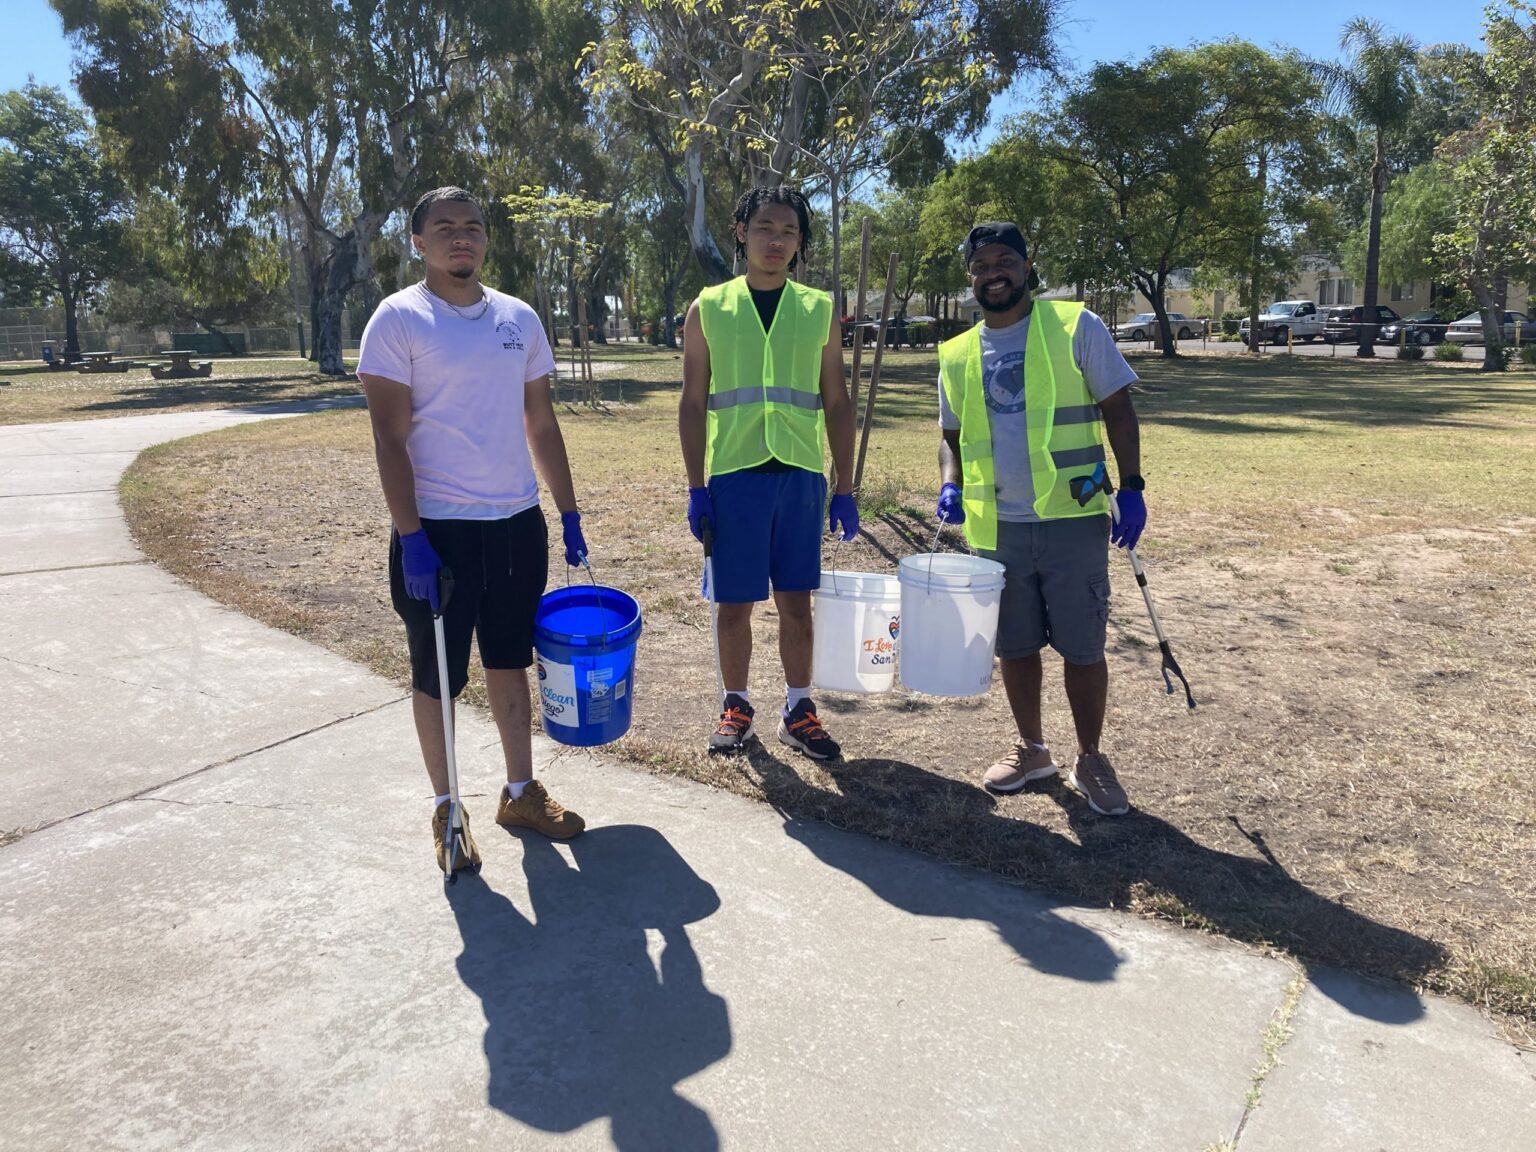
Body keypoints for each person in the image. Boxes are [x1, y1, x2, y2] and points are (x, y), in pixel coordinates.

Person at [357, 186, 589, 874]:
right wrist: (412, 538)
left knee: (510, 660)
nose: (461, 237)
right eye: (444, 227)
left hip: (515, 524)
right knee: (437, 676)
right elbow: (389, 439)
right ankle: (447, 808)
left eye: (473, 227)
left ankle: (519, 794)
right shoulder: (398, 319)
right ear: (418, 241)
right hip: (438, 533)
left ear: (486, 239)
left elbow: (540, 422)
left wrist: (568, 511)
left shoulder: (518, 318)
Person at [935, 222, 1147, 816]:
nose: (993, 273)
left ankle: (1090, 757)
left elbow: (1118, 409)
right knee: (1016, 645)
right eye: (981, 265)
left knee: (1083, 647)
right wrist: (950, 483)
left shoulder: (1077, 326)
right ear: (971, 277)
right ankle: (1032, 749)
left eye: (1005, 261)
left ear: (1027, 268)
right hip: (996, 528)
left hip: (1072, 516)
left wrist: (1132, 488)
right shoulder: (956, 353)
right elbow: (950, 436)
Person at [679, 186, 858, 760]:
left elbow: (837, 400)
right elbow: (691, 403)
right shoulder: (709, 307)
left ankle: (799, 710)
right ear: (741, 232)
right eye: (764, 228)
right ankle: (735, 706)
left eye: (788, 232)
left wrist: (845, 487)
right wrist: (696, 487)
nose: (775, 241)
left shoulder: (819, 309)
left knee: (797, 603)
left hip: (800, 476)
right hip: (735, 475)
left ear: (800, 242)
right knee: (733, 604)